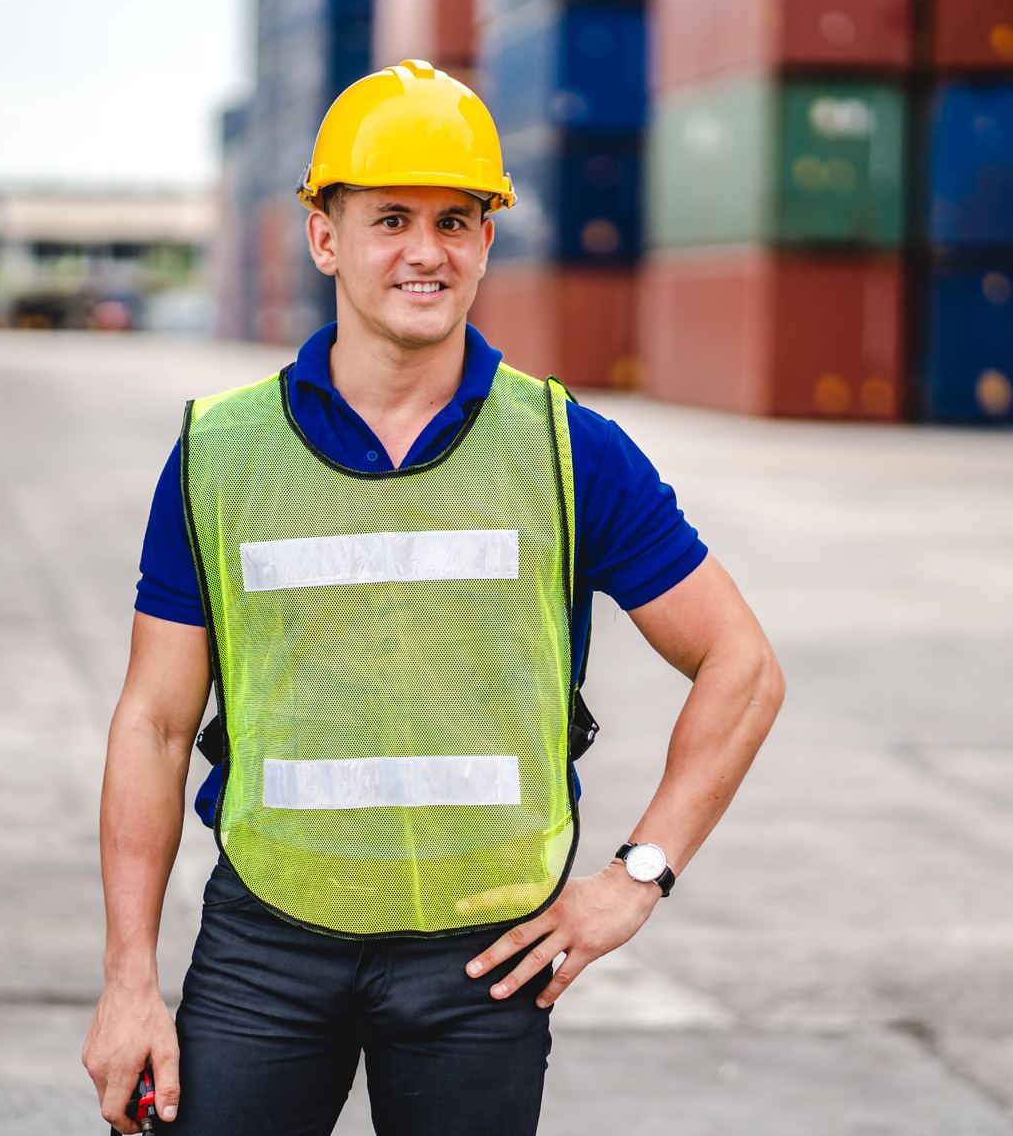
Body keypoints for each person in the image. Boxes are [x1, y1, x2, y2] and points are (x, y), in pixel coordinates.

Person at [82, 59, 784, 1135]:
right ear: (324, 236)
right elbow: (154, 720)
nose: (426, 251)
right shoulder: (219, 454)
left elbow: (741, 666)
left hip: (484, 962)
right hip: (267, 940)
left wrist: (637, 875)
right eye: (390, 218)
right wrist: (129, 978)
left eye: (456, 220)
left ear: (487, 241)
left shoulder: (566, 450)